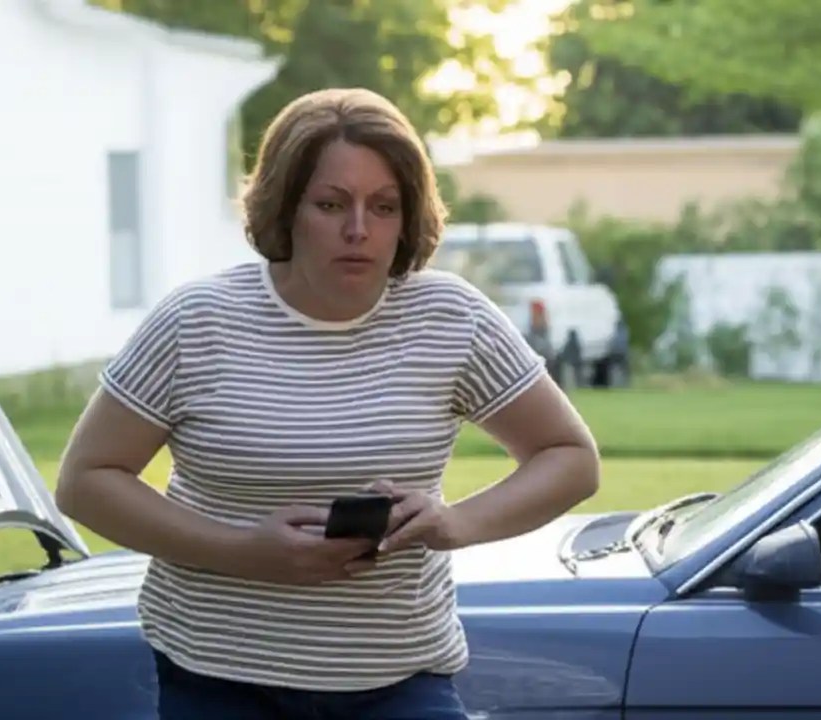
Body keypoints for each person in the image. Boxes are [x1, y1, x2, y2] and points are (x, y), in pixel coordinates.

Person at [55, 87, 601, 720]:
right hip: (219, 679)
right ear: (287, 209)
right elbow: (87, 482)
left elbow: (569, 458)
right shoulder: (196, 321)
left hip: (399, 680)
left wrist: (457, 524)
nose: (359, 230)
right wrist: (242, 551)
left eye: (385, 206)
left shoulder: (451, 317)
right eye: (331, 203)